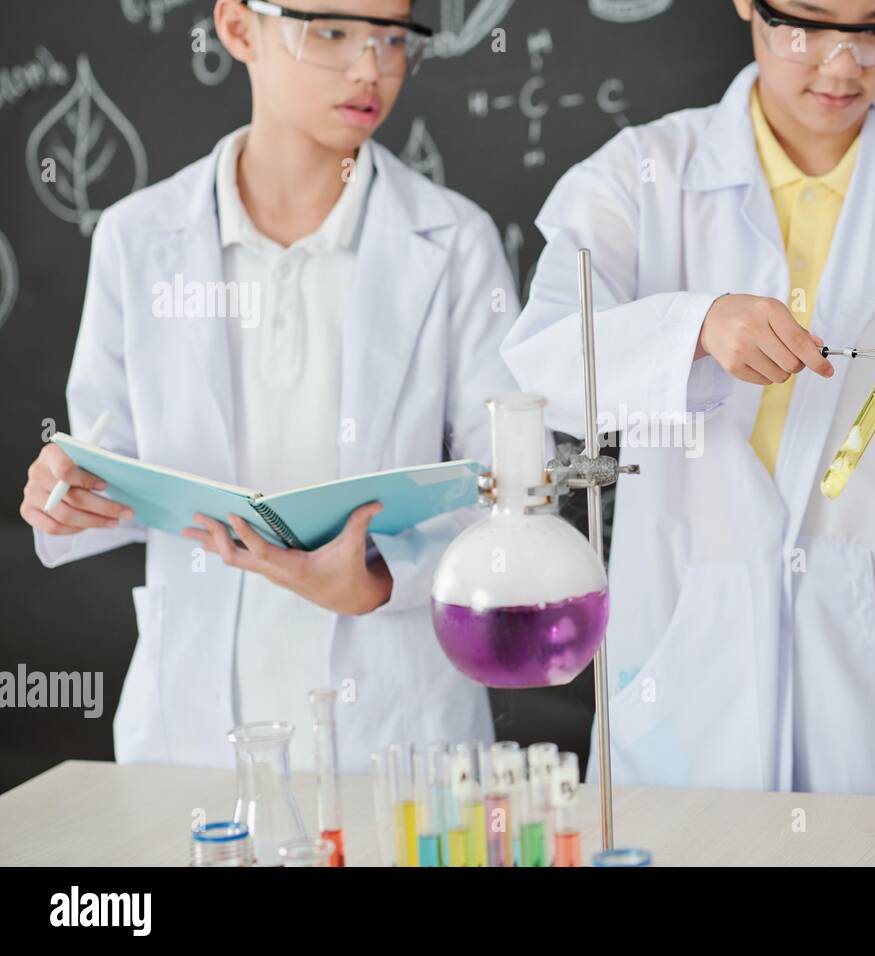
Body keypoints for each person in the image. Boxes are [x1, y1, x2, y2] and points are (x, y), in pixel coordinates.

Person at [501, 0, 875, 796]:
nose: (843, 65)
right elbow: (545, 358)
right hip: (682, 666)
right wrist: (695, 327)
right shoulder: (640, 176)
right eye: (808, 24)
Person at [19, 0, 519, 770]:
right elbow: (109, 469)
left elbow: (508, 491)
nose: (371, 69)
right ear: (238, 28)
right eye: (332, 31)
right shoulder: (137, 237)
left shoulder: (454, 242)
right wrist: (66, 493)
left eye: (393, 38)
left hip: (394, 729)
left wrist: (378, 579)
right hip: (190, 733)